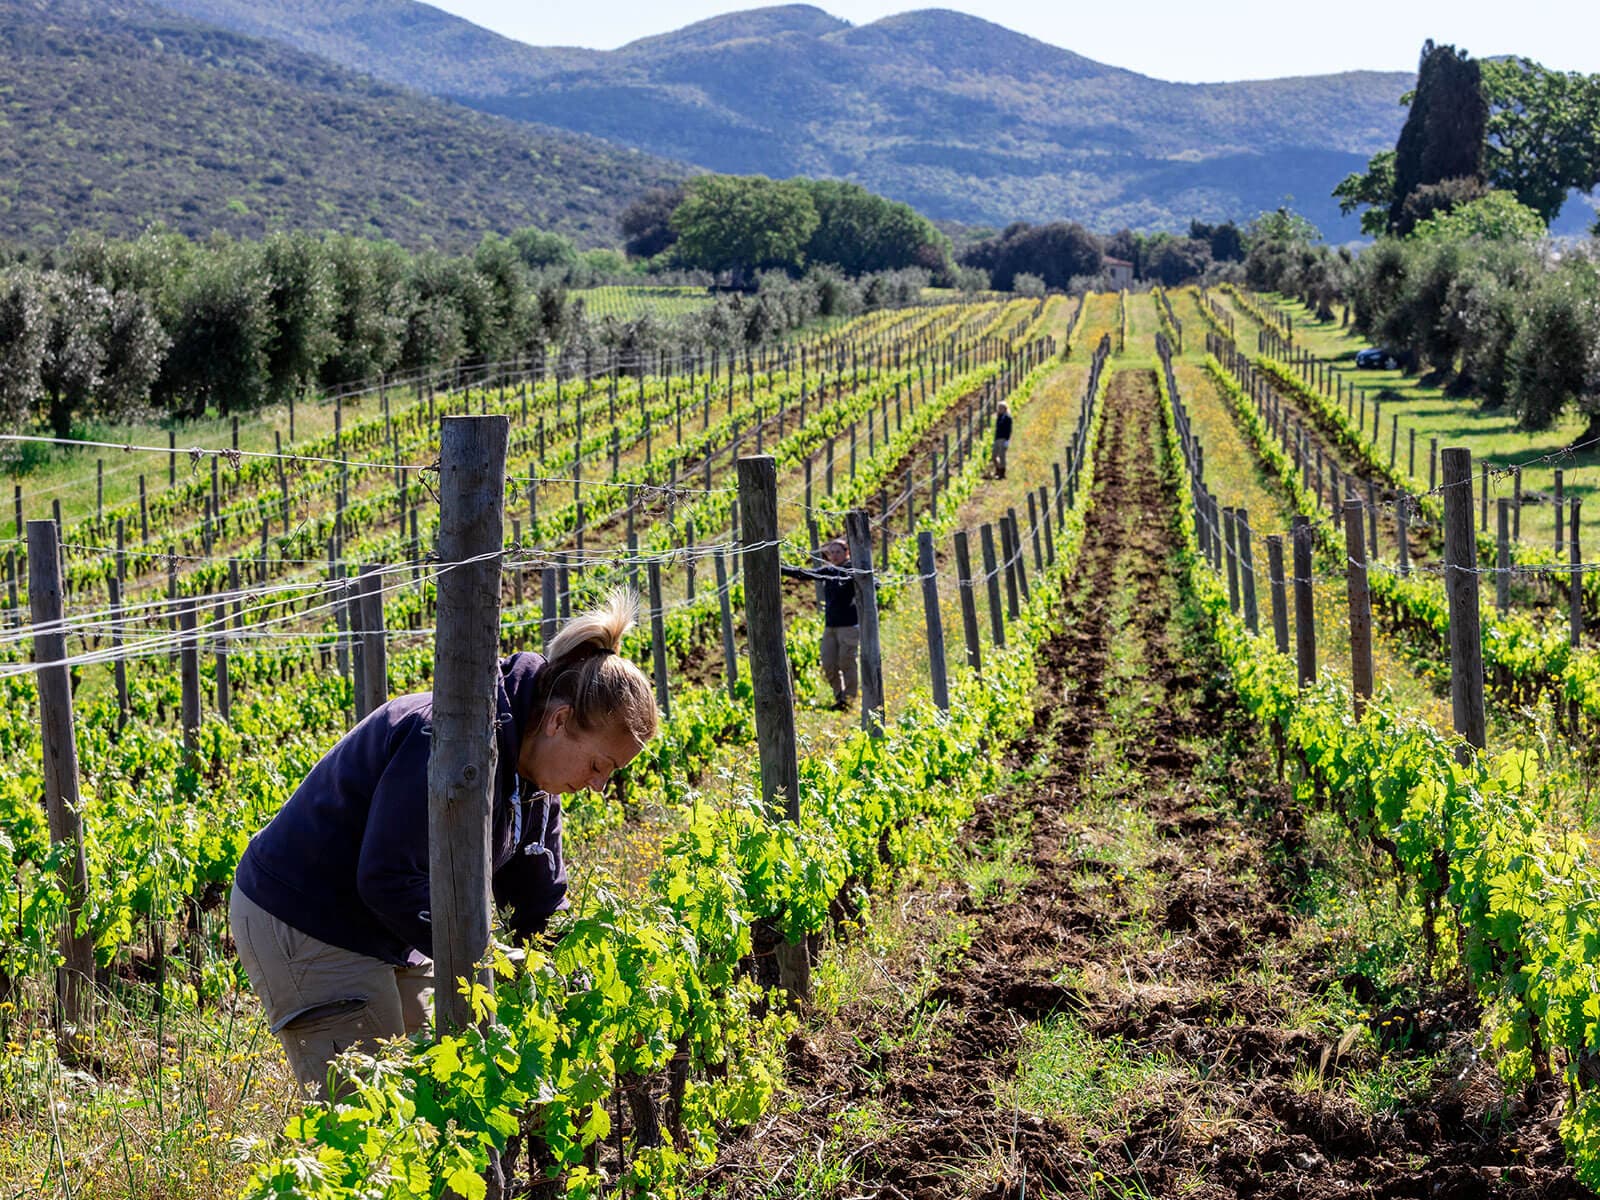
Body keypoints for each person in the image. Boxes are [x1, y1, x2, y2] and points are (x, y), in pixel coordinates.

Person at [229, 590, 658, 1095]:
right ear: (560, 721)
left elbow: (538, 899)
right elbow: (388, 877)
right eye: (598, 766)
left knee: (445, 1077)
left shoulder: (533, 773)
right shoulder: (452, 741)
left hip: (388, 925)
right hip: (306, 916)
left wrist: (573, 977)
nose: (597, 786)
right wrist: (488, 956)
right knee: (369, 1112)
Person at [782, 538, 859, 711]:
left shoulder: (852, 570)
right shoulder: (829, 571)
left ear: (847, 552)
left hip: (849, 626)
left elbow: (871, 582)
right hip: (830, 626)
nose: (834, 555)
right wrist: (781, 569)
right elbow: (804, 574)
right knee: (828, 664)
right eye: (831, 552)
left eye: (838, 551)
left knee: (847, 662)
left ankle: (849, 700)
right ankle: (840, 696)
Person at [992, 401, 1013, 479]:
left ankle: (1002, 474)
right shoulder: (999, 417)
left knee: (1002, 456)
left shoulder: (1008, 418)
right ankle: (998, 470)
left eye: (1001, 408)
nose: (999, 409)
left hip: (1003, 439)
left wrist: (1007, 440)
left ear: (1005, 409)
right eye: (999, 408)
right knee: (994, 456)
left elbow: (1009, 430)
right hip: (997, 438)